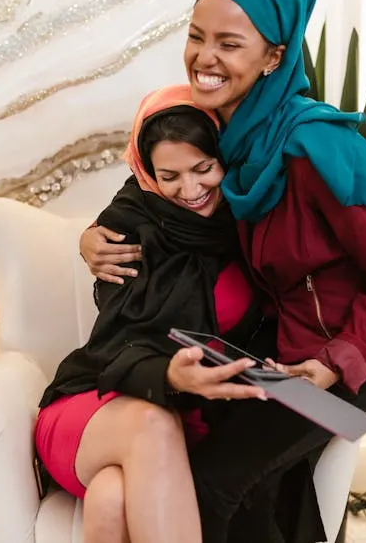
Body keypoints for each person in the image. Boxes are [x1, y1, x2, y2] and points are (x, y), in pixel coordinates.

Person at [80, 0, 366, 543]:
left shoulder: (316, 143)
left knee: (216, 480)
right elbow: (154, 176)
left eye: (230, 44)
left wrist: (337, 359)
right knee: (261, 479)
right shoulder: (228, 134)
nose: (205, 57)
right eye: (196, 37)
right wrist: (91, 237)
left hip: (351, 348)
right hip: (285, 341)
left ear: (275, 56)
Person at [36, 85, 271, 543]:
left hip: (188, 422)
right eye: (170, 176)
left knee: (112, 497)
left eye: (204, 168)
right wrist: (170, 377)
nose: (190, 190)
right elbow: (119, 342)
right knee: (152, 422)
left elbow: (327, 239)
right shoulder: (126, 229)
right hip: (97, 408)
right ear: (146, 173)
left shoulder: (255, 218)